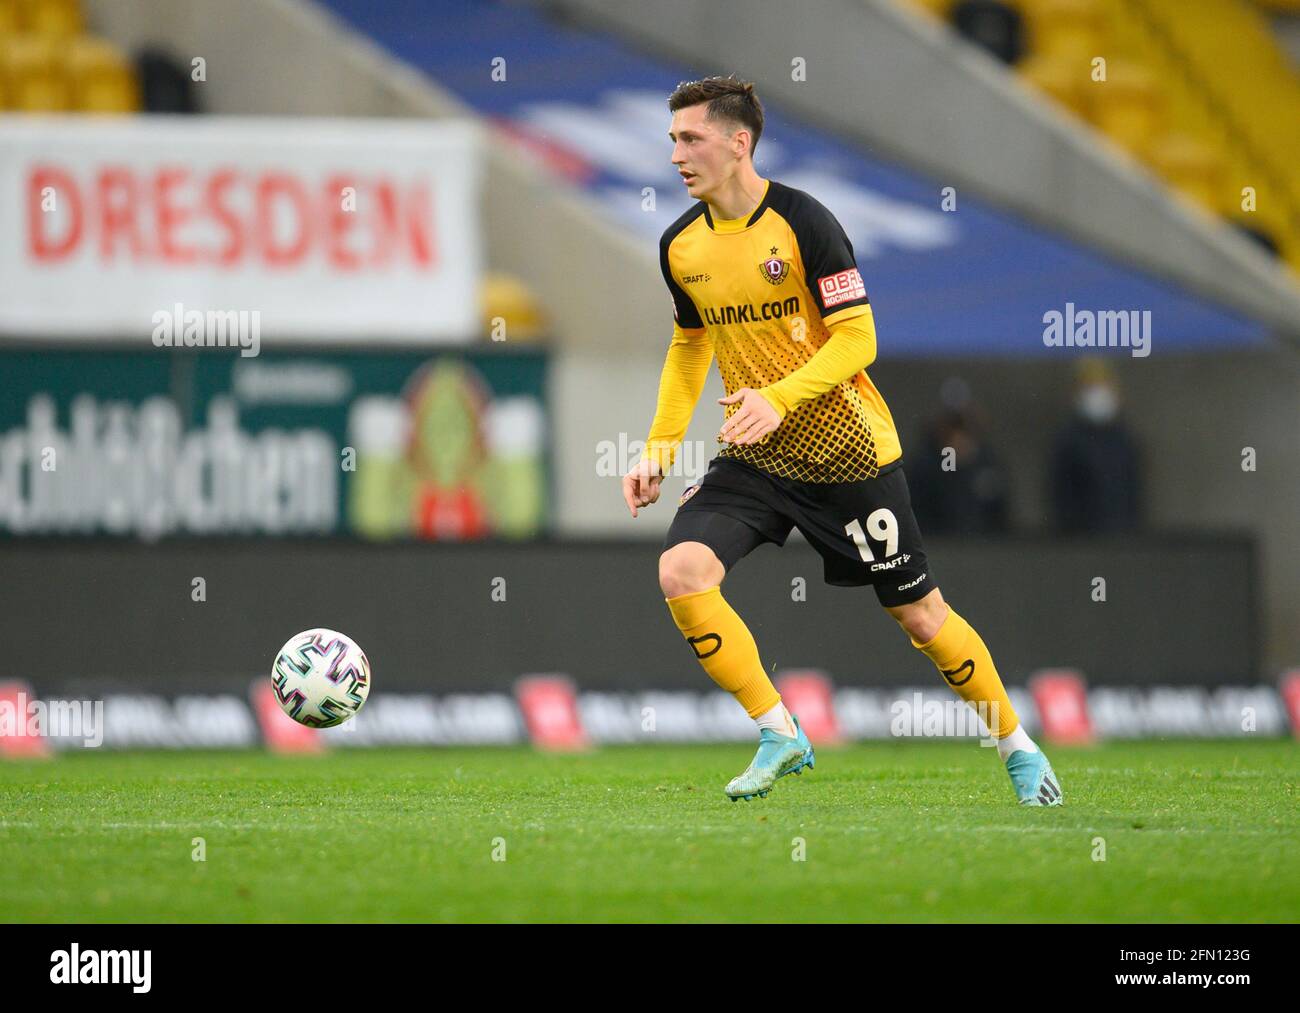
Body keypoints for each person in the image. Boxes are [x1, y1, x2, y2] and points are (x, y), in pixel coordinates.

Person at [621, 75, 1062, 806]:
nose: (676, 155)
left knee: (921, 615)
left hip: (846, 455)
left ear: (740, 143)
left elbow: (860, 338)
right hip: (756, 455)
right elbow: (689, 345)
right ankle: (778, 730)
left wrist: (779, 396)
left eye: (690, 138)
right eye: (672, 139)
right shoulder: (681, 245)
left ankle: (1015, 742)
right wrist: (659, 449)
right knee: (683, 570)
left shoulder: (803, 221)